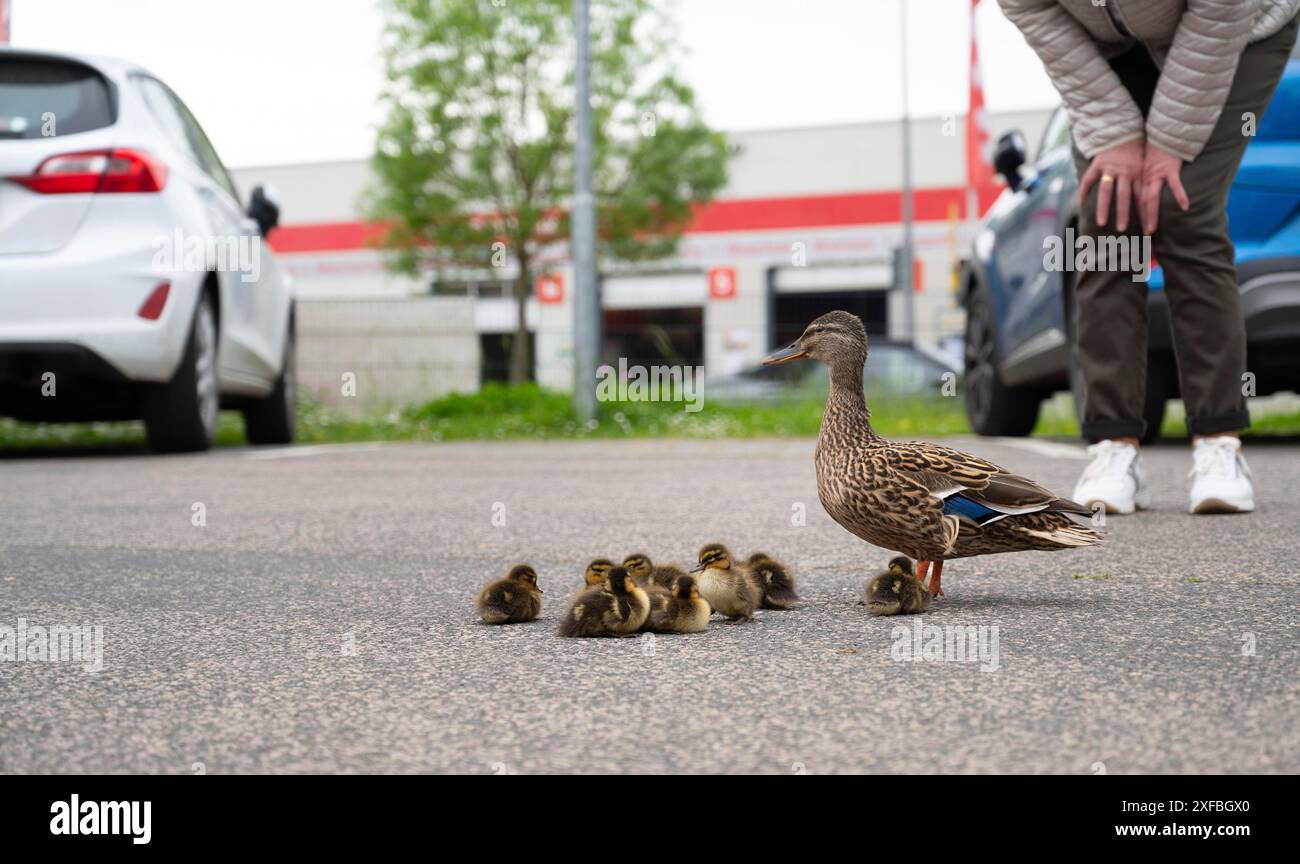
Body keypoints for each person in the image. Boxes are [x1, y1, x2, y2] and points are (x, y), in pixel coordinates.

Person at [997, 0, 1300, 514]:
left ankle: (1218, 444)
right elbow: (1038, 15)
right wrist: (1115, 134)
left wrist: (1168, 143)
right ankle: (1114, 447)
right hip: (1111, 47)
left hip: (1236, 25)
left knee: (1181, 204)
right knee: (1106, 212)